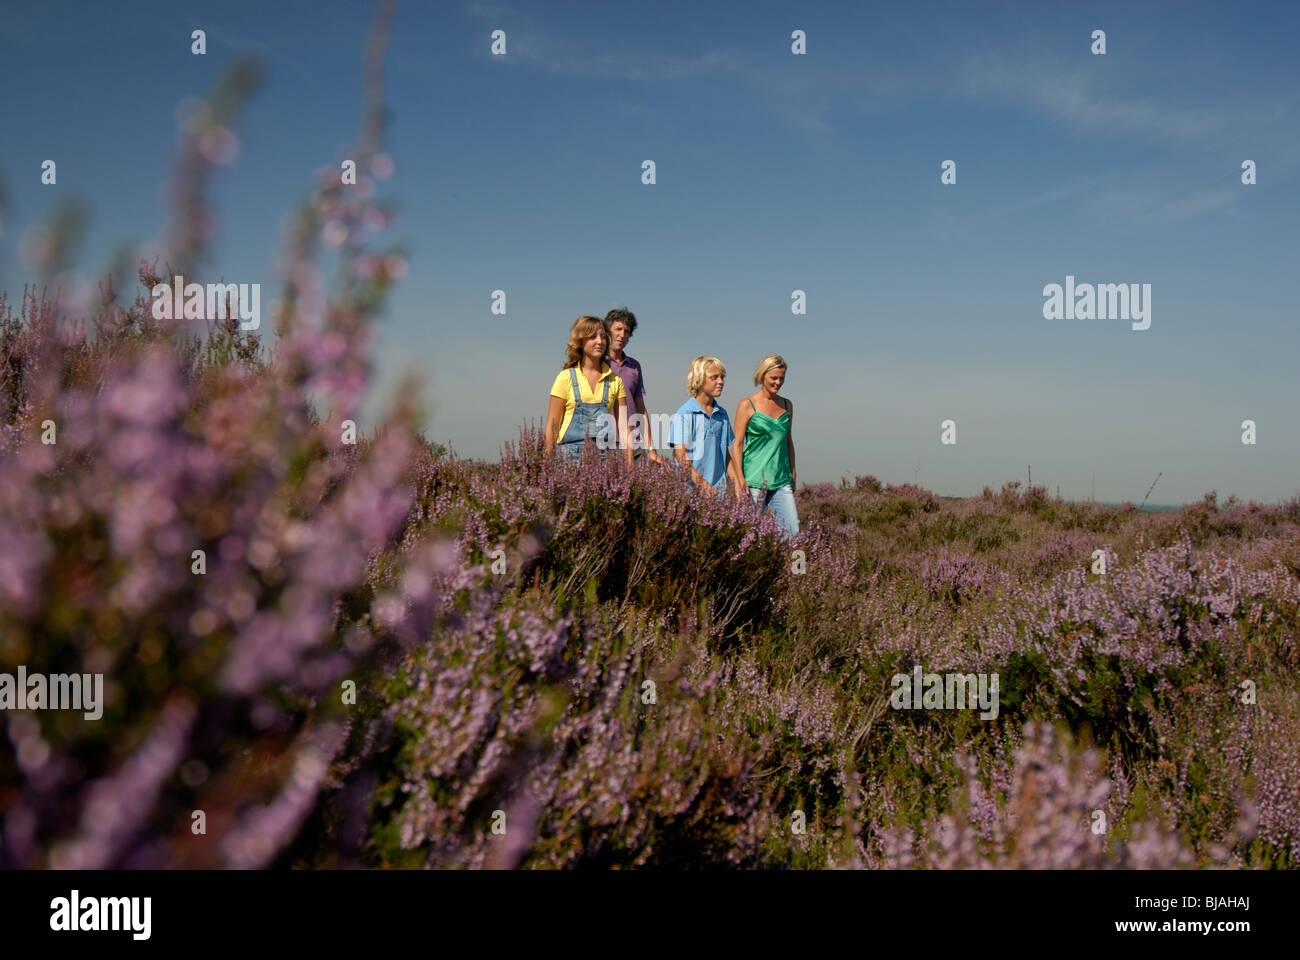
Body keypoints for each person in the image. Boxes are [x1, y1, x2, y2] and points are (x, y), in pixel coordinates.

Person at [544, 316, 634, 466]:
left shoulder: (615, 381)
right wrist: (545, 465)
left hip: (604, 461)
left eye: (603, 337)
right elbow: (552, 427)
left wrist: (630, 468)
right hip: (568, 461)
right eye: (593, 337)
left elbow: (625, 429)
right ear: (580, 341)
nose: (600, 341)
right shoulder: (565, 378)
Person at [731, 354, 799, 539]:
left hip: (781, 479)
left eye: (782, 378)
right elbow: (736, 445)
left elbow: (788, 440)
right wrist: (740, 479)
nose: (778, 382)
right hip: (753, 481)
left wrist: (793, 472)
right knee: (747, 534)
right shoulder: (747, 405)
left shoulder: (787, 405)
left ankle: (780, 566)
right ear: (762, 376)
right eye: (774, 378)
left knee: (791, 532)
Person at [667, 356, 744, 498]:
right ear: (699, 380)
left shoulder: (722, 414)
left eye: (722, 377)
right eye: (714, 377)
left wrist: (737, 484)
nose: (720, 381)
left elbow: (725, 456)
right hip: (688, 494)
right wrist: (702, 485)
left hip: (717, 495)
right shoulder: (685, 413)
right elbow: (681, 456)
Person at [603, 308, 664, 464]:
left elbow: (641, 408)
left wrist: (651, 448)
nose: (622, 335)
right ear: (607, 331)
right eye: (618, 329)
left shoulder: (634, 366)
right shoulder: (598, 363)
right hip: (604, 441)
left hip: (634, 443)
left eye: (627, 331)